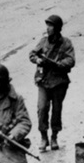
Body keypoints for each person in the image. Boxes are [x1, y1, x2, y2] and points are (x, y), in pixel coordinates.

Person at [28, 15, 76, 152]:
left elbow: (71, 60)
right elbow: (32, 54)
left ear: (58, 28)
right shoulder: (43, 42)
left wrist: (58, 64)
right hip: (43, 81)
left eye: (51, 26)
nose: (48, 28)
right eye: (47, 25)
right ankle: (44, 137)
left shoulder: (66, 43)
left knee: (56, 110)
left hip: (59, 82)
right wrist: (37, 60)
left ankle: (54, 136)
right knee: (42, 109)